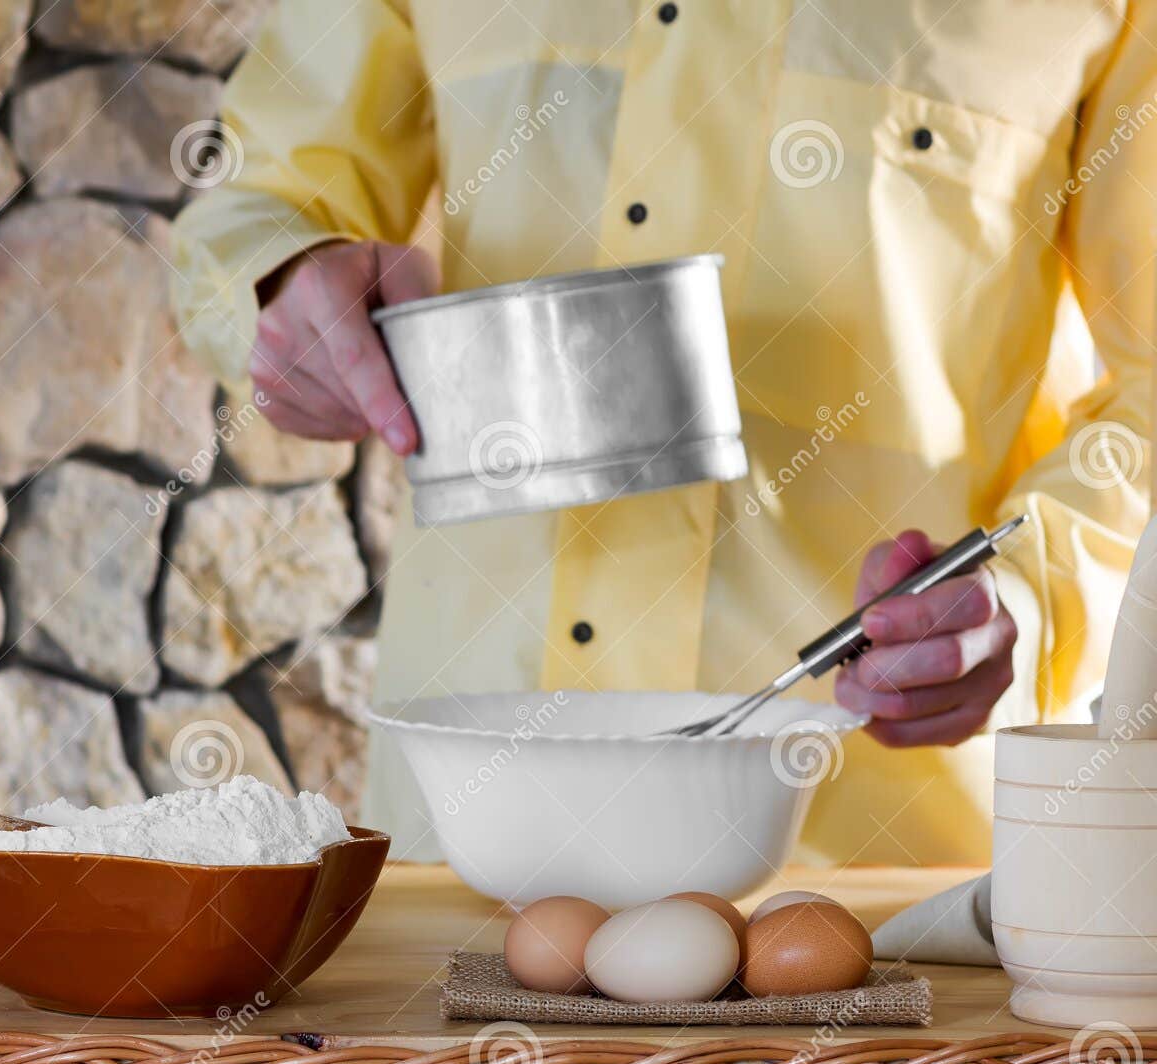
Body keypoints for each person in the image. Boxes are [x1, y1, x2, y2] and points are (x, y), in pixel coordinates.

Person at [171, 1, 1155, 865]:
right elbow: (266, 194)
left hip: (864, 875)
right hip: (468, 845)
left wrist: (1035, 602)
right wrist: (279, 281)